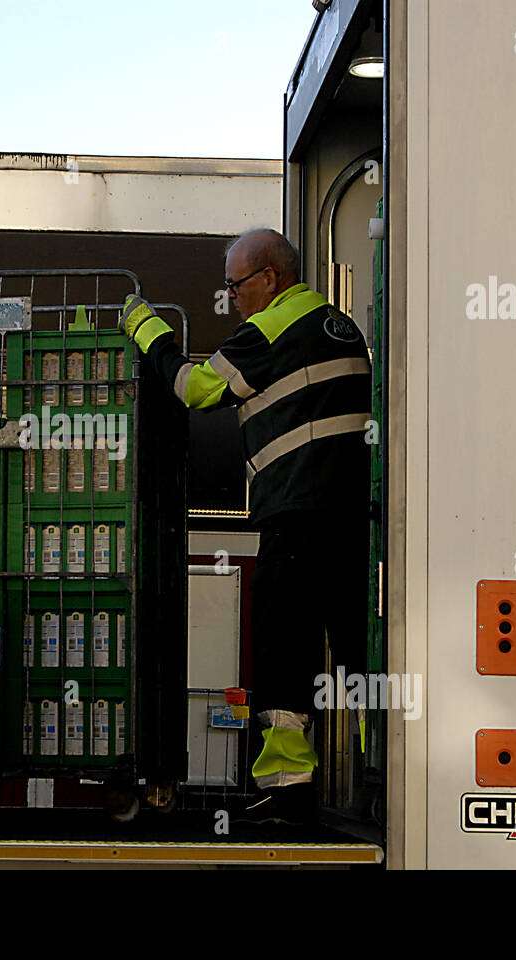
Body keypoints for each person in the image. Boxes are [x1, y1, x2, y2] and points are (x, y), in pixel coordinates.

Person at [119, 227, 372, 825]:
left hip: (295, 516)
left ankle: (288, 795)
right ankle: (381, 774)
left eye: (234, 285)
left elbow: (196, 388)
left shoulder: (273, 329)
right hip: (351, 519)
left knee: (285, 654)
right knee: (361, 656)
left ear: (270, 277)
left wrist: (147, 329)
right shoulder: (343, 327)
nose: (230, 297)